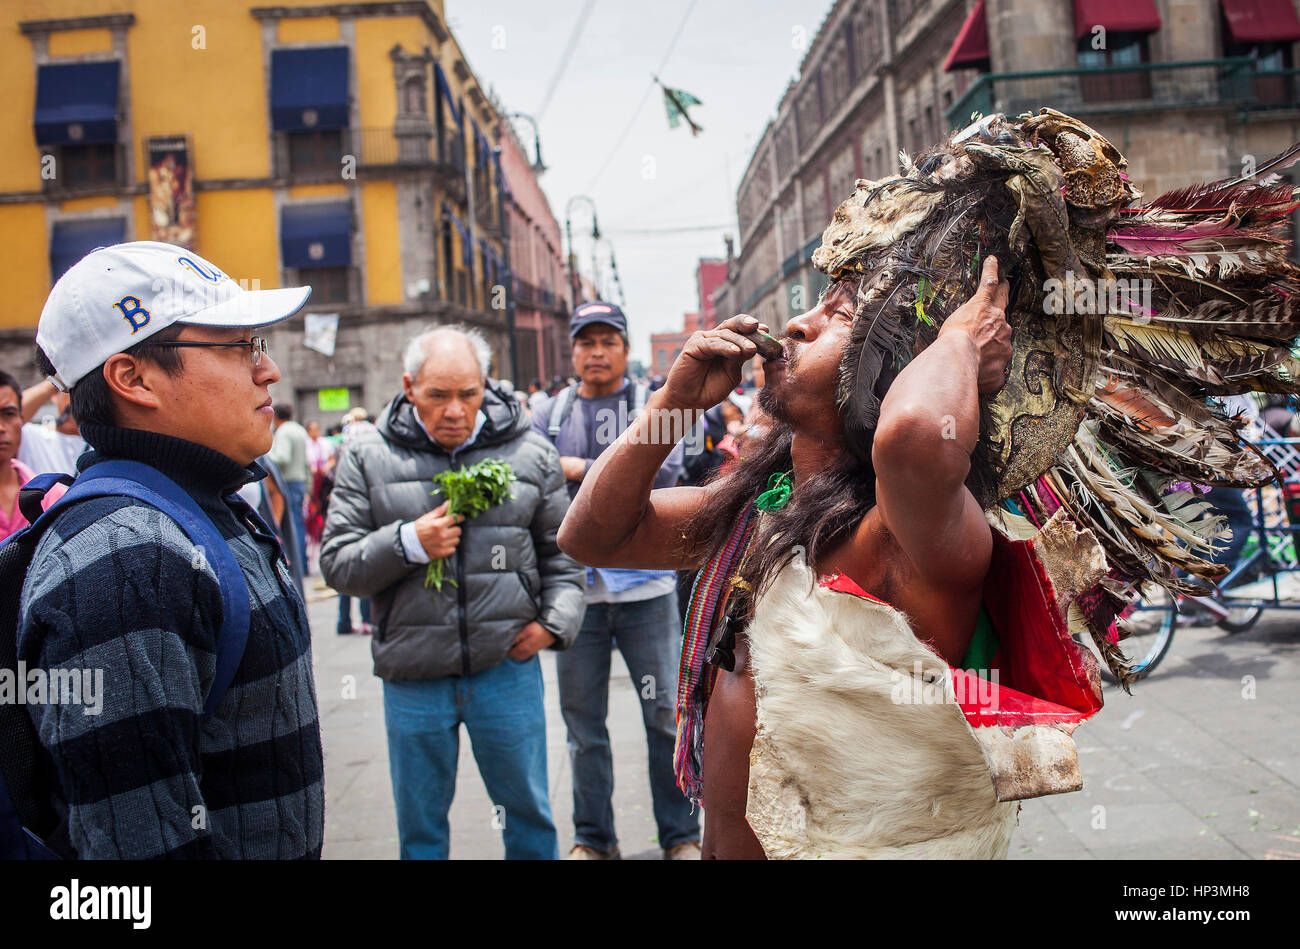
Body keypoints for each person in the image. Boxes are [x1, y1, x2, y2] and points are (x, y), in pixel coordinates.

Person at [17, 240, 323, 858]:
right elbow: (141, 853)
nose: (267, 370)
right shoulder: (123, 560)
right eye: (237, 347)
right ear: (133, 378)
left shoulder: (205, 504)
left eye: (257, 345)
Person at [320, 325, 585, 860]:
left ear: (485, 385)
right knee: (420, 828)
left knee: (530, 818)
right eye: (438, 395)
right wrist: (407, 543)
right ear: (409, 386)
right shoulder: (367, 454)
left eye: (468, 394)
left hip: (505, 669)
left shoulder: (529, 452)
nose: (455, 410)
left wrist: (553, 624)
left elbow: (564, 553)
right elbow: (338, 563)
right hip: (413, 677)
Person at [531, 301, 701, 860]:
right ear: (573, 352)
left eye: (607, 341)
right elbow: (535, 485)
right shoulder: (547, 414)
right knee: (583, 727)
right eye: (586, 342)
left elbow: (668, 476)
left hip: (646, 593)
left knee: (664, 719)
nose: (596, 352)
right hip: (577, 598)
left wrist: (579, 468)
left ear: (625, 350)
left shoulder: (653, 408)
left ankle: (679, 836)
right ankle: (593, 840)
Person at [269, 403, 310, 572]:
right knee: (299, 525)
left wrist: (264, 456)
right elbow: (306, 462)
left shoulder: (284, 432)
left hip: (288, 483)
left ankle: (295, 564)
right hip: (300, 481)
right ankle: (303, 564)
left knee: (291, 526)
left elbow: (283, 457)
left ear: (275, 417)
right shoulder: (300, 430)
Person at [16, 378, 87, 475]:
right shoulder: (32, 437)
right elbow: (7, 416)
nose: (78, 399)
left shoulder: (104, 443)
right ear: (55, 396)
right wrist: (57, 379)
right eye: (71, 390)